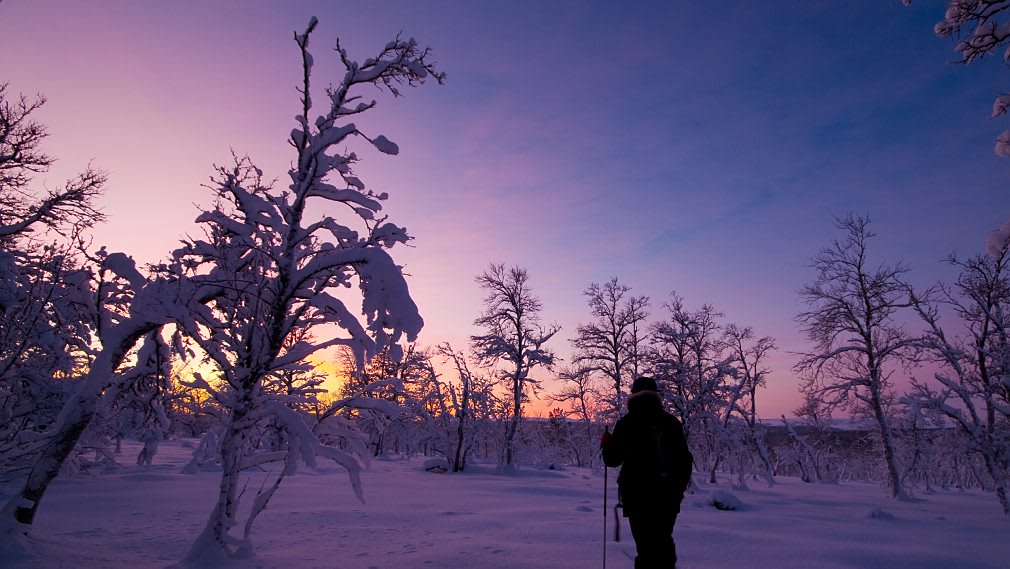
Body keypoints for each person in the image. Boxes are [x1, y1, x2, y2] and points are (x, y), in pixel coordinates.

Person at [601, 376, 693, 569]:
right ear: (656, 395)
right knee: (663, 541)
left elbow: (612, 460)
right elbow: (685, 460)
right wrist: (679, 489)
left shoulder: (626, 423)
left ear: (633, 395)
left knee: (646, 547)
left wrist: (607, 444)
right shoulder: (671, 423)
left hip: (636, 496)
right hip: (668, 496)